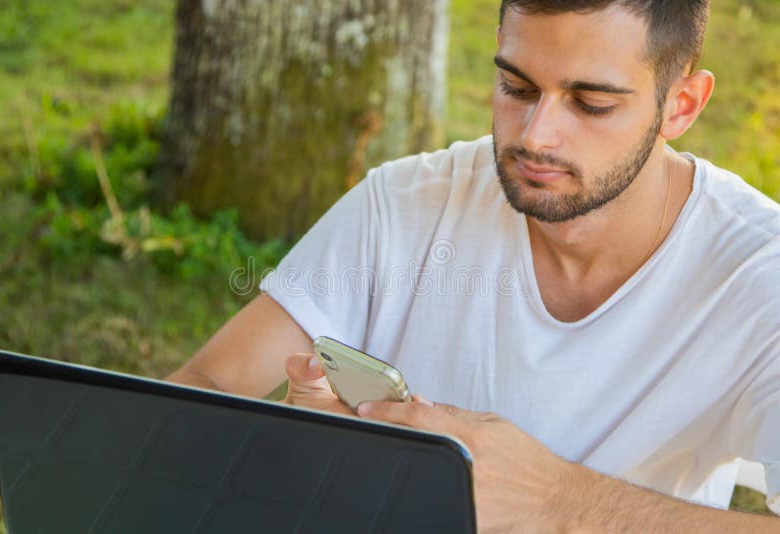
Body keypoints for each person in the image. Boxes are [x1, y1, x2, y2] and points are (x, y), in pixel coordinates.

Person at [168, 0, 780, 530]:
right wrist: (305, 454)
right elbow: (194, 400)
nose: (537, 137)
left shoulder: (757, 274)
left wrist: (557, 503)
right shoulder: (407, 204)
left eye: (590, 104)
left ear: (682, 104)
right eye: (516, 87)